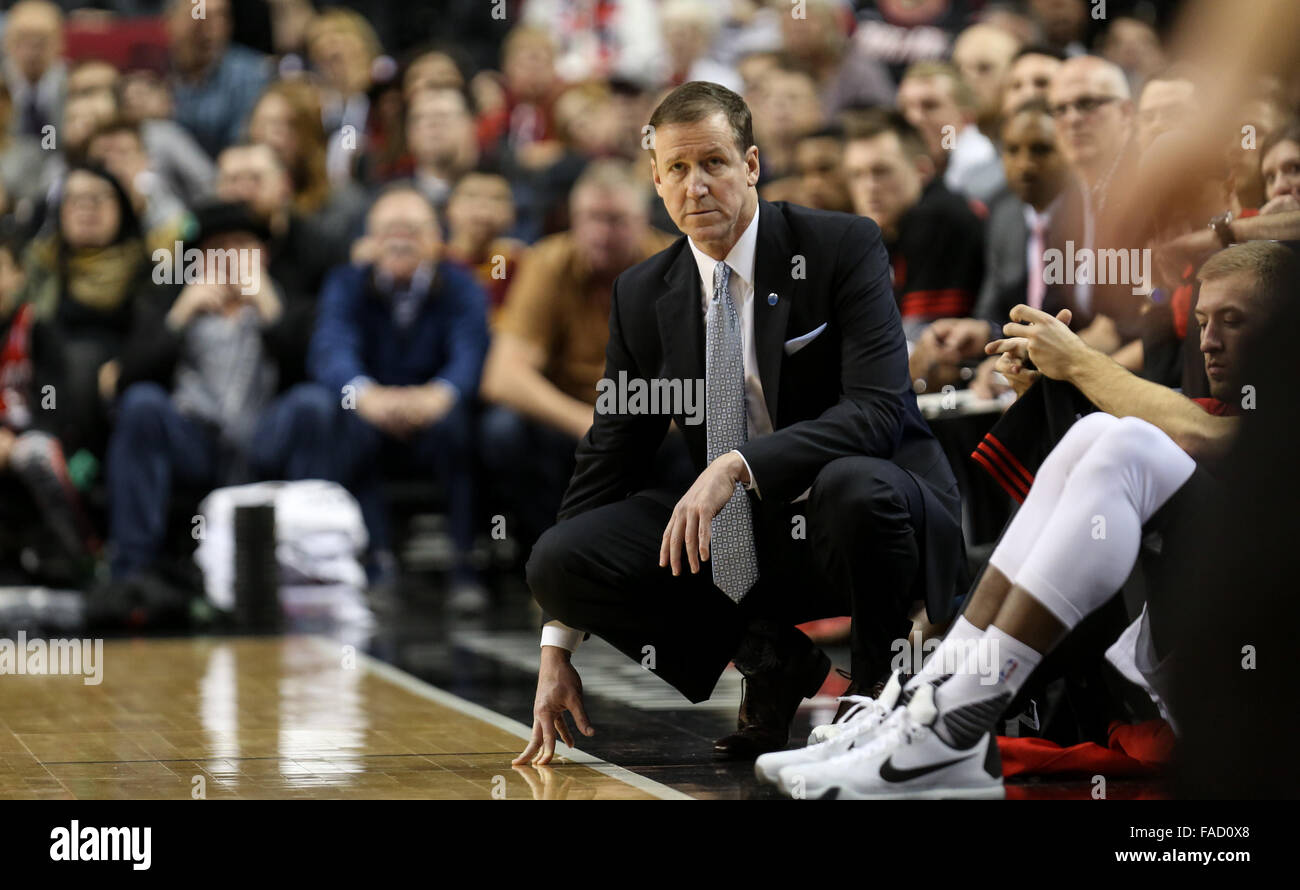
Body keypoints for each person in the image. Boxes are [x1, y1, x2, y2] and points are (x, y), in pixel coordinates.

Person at [515, 82, 967, 765]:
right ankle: (772, 660)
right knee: (558, 555)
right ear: (656, 181)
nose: (696, 186)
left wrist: (737, 464)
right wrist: (558, 642)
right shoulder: (642, 294)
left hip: (874, 515)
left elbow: (877, 410)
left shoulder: (841, 245)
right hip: (747, 542)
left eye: (715, 164)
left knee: (852, 484)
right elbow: (608, 458)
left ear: (751, 165)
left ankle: (876, 691)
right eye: (677, 169)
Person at [756, 239, 1293, 798]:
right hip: (1196, 669)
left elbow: (1204, 439)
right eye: (1203, 320)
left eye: (1232, 321)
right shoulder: (1210, 409)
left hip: (1267, 688)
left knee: (1129, 440)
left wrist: (1081, 362)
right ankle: (930, 707)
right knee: (1094, 433)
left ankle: (946, 726)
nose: (1208, 341)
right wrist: (1052, 389)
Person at [251, 186, 489, 598]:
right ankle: (375, 559)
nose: (400, 240)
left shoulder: (460, 285)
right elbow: (330, 350)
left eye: (412, 230)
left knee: (462, 425)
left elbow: (470, 353)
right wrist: (366, 396)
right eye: (388, 230)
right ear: (368, 242)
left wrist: (439, 395)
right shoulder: (346, 283)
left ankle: (464, 563)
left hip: (433, 415)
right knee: (340, 417)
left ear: (437, 239)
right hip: (368, 413)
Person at [478, 160, 673, 550]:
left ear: (643, 220)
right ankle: (544, 559)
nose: (602, 232)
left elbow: (704, 377)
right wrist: (588, 424)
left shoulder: (677, 264)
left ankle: (664, 571)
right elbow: (501, 377)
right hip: (570, 416)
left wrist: (634, 428)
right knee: (503, 433)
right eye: (591, 218)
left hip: (653, 419)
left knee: (702, 436)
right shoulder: (548, 261)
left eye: (616, 220)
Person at [105, 202, 304, 582]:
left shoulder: (288, 300)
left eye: (240, 246)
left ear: (262, 254)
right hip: (196, 442)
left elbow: (312, 369)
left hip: (266, 437)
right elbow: (127, 379)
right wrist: (179, 316)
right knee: (142, 405)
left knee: (313, 406)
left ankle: (311, 564)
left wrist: (270, 308)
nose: (229, 257)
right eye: (218, 248)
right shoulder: (169, 301)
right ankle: (131, 574)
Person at [910, 99, 1070, 394]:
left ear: (1069, 149)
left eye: (1041, 150)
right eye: (1012, 151)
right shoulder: (1004, 216)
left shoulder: (1091, 219)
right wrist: (983, 335)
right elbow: (993, 310)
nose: (1025, 164)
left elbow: (1091, 324)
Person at [842, 108, 985, 344]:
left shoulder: (938, 218)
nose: (869, 187)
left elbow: (924, 339)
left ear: (922, 171)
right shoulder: (888, 229)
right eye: (856, 175)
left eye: (881, 172)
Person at [897, 61, 1005, 205]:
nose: (914, 119)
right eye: (905, 107)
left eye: (930, 106)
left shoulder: (983, 169)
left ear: (966, 118)